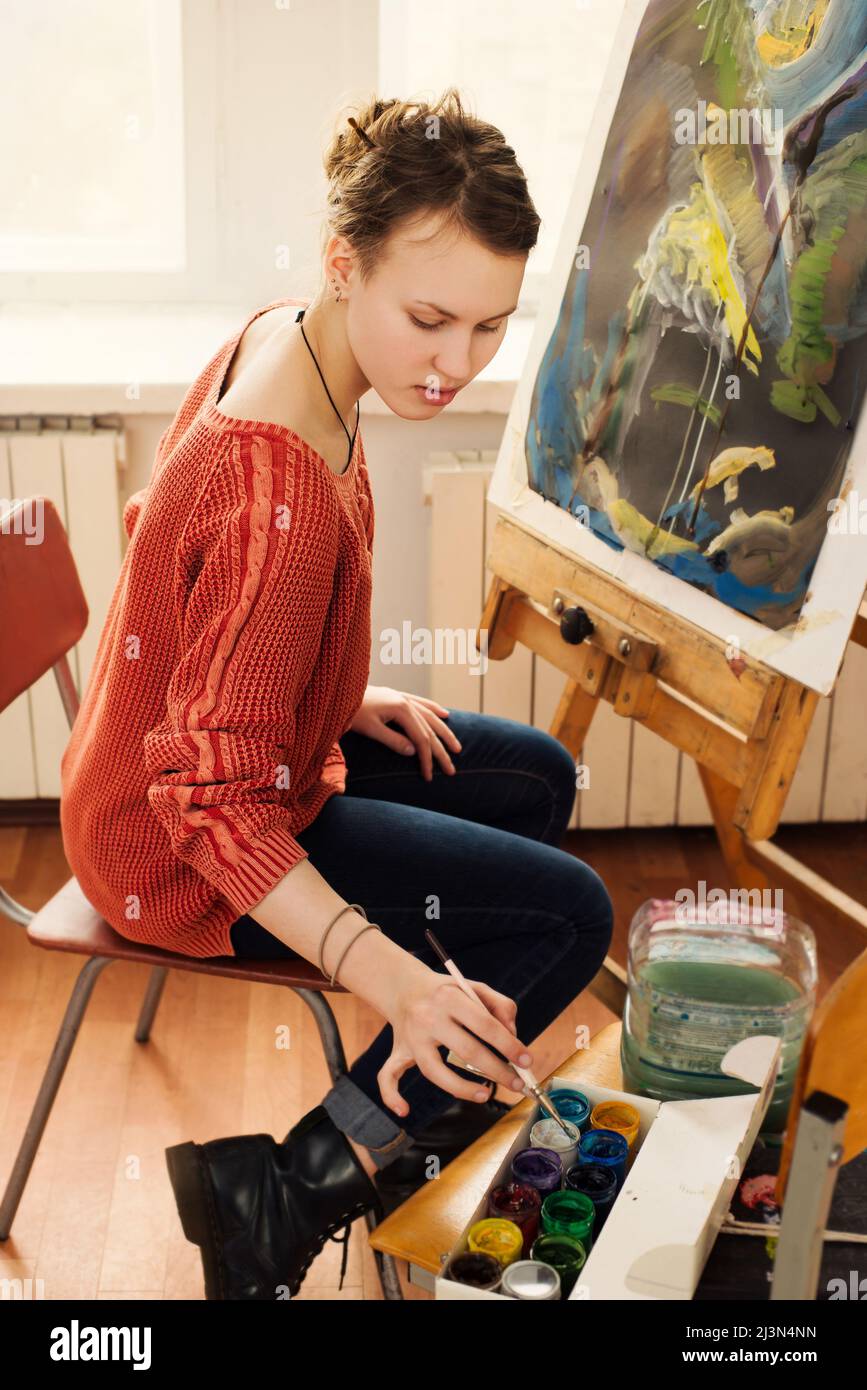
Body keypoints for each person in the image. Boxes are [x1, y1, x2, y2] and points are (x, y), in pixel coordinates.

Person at [60, 88, 614, 1301]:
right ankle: (298, 1185)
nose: (455, 366)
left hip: (217, 757)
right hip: (176, 842)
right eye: (428, 319)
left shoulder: (288, 332)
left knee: (536, 776)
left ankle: (417, 1101)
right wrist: (390, 974)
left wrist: (323, 685)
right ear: (343, 264)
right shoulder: (284, 486)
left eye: (488, 327)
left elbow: (191, 579)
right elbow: (205, 795)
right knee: (568, 917)